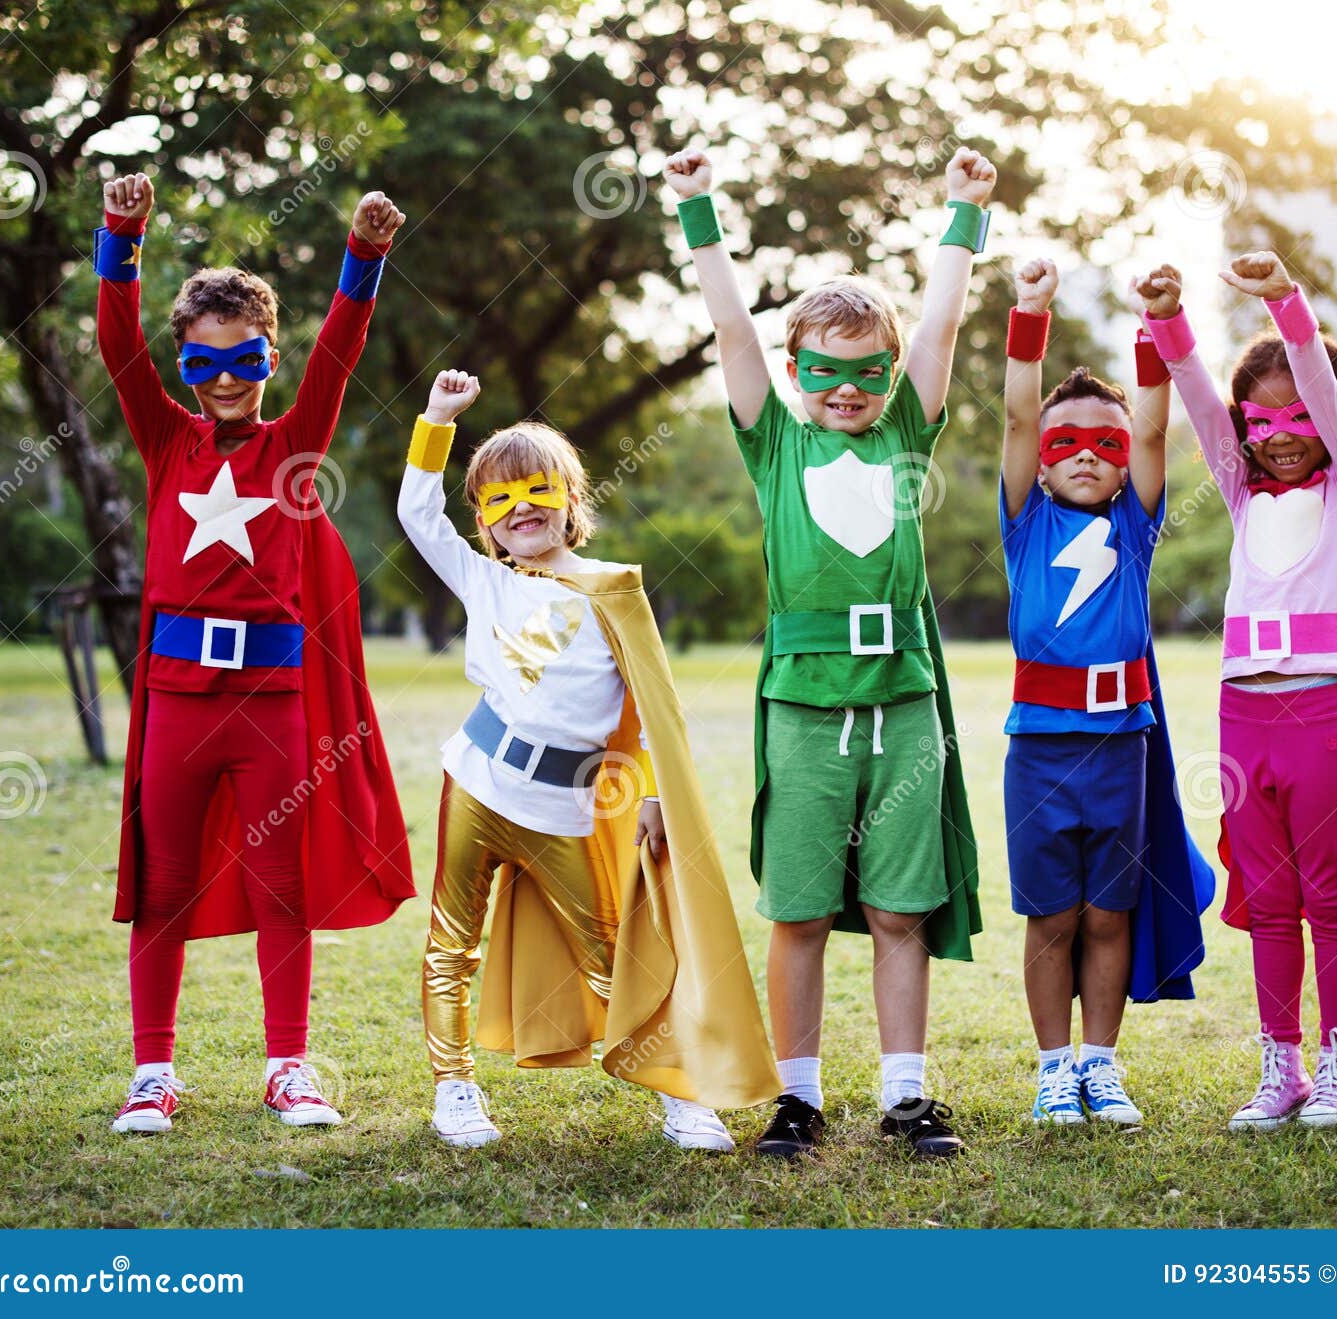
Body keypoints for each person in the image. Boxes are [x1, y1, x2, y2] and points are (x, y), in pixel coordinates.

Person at [663, 144, 991, 1159]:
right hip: (803, 706)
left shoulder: (905, 434)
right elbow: (726, 321)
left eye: (866, 371)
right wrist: (697, 206)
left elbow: (938, 323)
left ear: (887, 376)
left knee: (900, 905)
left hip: (901, 701)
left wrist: (964, 213)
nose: (846, 389)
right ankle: (795, 1096)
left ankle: (905, 1092)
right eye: (825, 370)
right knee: (799, 906)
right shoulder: (776, 439)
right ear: (798, 370)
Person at [97, 174, 414, 1135]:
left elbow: (340, 353)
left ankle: (288, 1065)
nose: (225, 379)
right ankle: (153, 1071)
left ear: (269, 357)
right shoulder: (166, 441)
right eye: (203, 362)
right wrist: (123, 232)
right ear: (184, 362)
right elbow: (115, 347)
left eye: (245, 360)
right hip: (179, 693)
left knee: (283, 881)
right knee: (161, 882)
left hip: (272, 697)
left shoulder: (297, 437)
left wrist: (364, 256)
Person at [398, 369, 779, 1151]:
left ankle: (675, 1089)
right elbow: (415, 512)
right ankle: (455, 1086)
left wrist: (652, 792)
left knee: (612, 952)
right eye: (500, 500)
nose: (522, 509)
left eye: (537, 491)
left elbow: (646, 707)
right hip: (476, 779)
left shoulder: (612, 592)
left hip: (565, 802)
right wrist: (437, 419)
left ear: (572, 501)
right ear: (484, 520)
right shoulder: (484, 580)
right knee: (450, 943)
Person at [1139, 252, 1337, 1130]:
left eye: (1298, 413)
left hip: (1322, 715)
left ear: (1334, 416)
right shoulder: (1238, 488)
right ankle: (1283, 1066)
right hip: (1244, 715)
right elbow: (1195, 396)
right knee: (1269, 899)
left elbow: (1323, 399)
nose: (1279, 431)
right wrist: (1168, 320)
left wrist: (1283, 303)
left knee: (1332, 893)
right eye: (1260, 418)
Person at [1000, 258, 1214, 1128]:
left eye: (1105, 442)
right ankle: (1054, 1068)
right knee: (1051, 914)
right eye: (1065, 443)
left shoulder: (1135, 521)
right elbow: (1018, 410)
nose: (1086, 453)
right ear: (1040, 465)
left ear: (1126, 465)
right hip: (1040, 744)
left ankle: (1101, 1063)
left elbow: (1158, 432)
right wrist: (1029, 312)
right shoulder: (1024, 520)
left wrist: (1154, 327)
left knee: (1107, 911)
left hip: (1122, 740)